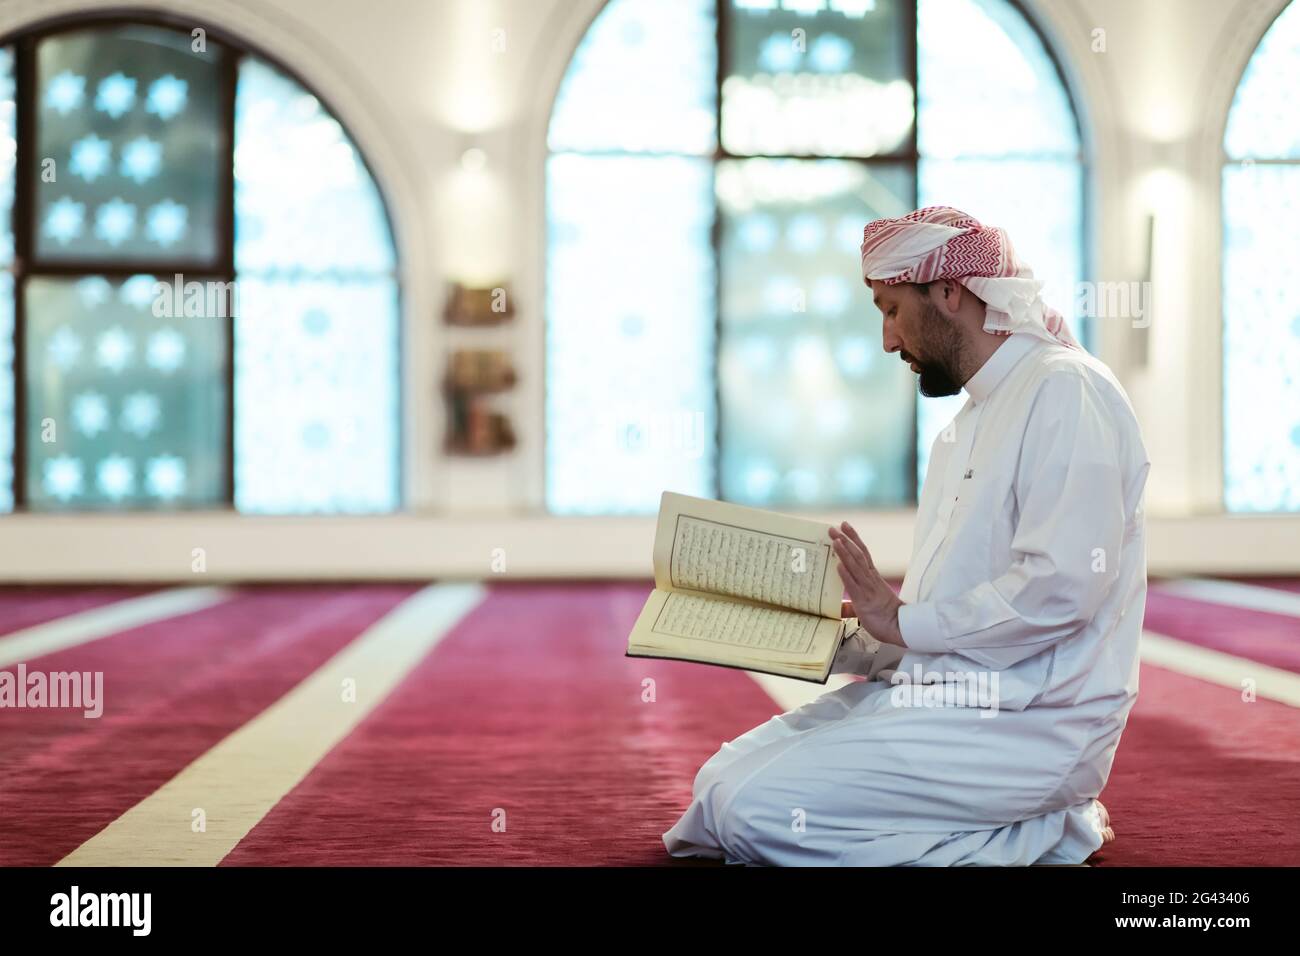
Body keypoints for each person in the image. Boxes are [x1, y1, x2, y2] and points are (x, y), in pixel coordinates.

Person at [661, 205, 1149, 866]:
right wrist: (842, 639)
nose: (889, 341)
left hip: (1031, 724)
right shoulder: (965, 428)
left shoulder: (1066, 393)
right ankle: (1020, 828)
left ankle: (1046, 826)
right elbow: (930, 628)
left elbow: (1061, 593)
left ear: (948, 292)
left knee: (755, 814)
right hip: (948, 698)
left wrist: (901, 621)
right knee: (716, 788)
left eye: (891, 309)